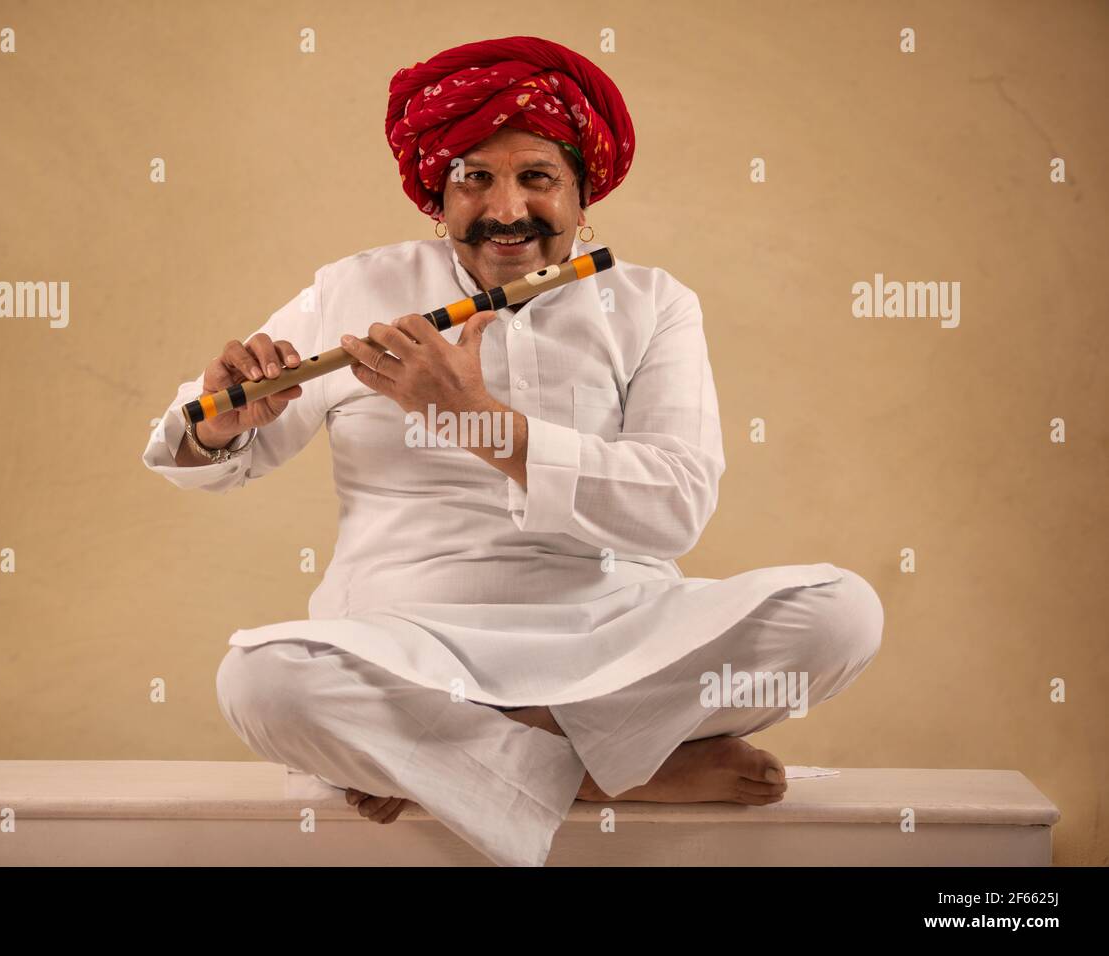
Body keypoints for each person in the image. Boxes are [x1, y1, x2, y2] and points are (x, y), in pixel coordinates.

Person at [142, 36, 883, 867]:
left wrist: (480, 422)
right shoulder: (356, 289)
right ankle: (612, 768)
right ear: (437, 196)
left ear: (581, 193)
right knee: (264, 685)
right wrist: (224, 419)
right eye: (474, 179)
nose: (504, 210)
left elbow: (674, 507)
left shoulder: (653, 303)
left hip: (618, 636)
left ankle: (461, 760)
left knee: (840, 614)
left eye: (536, 177)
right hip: (410, 642)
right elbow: (200, 447)